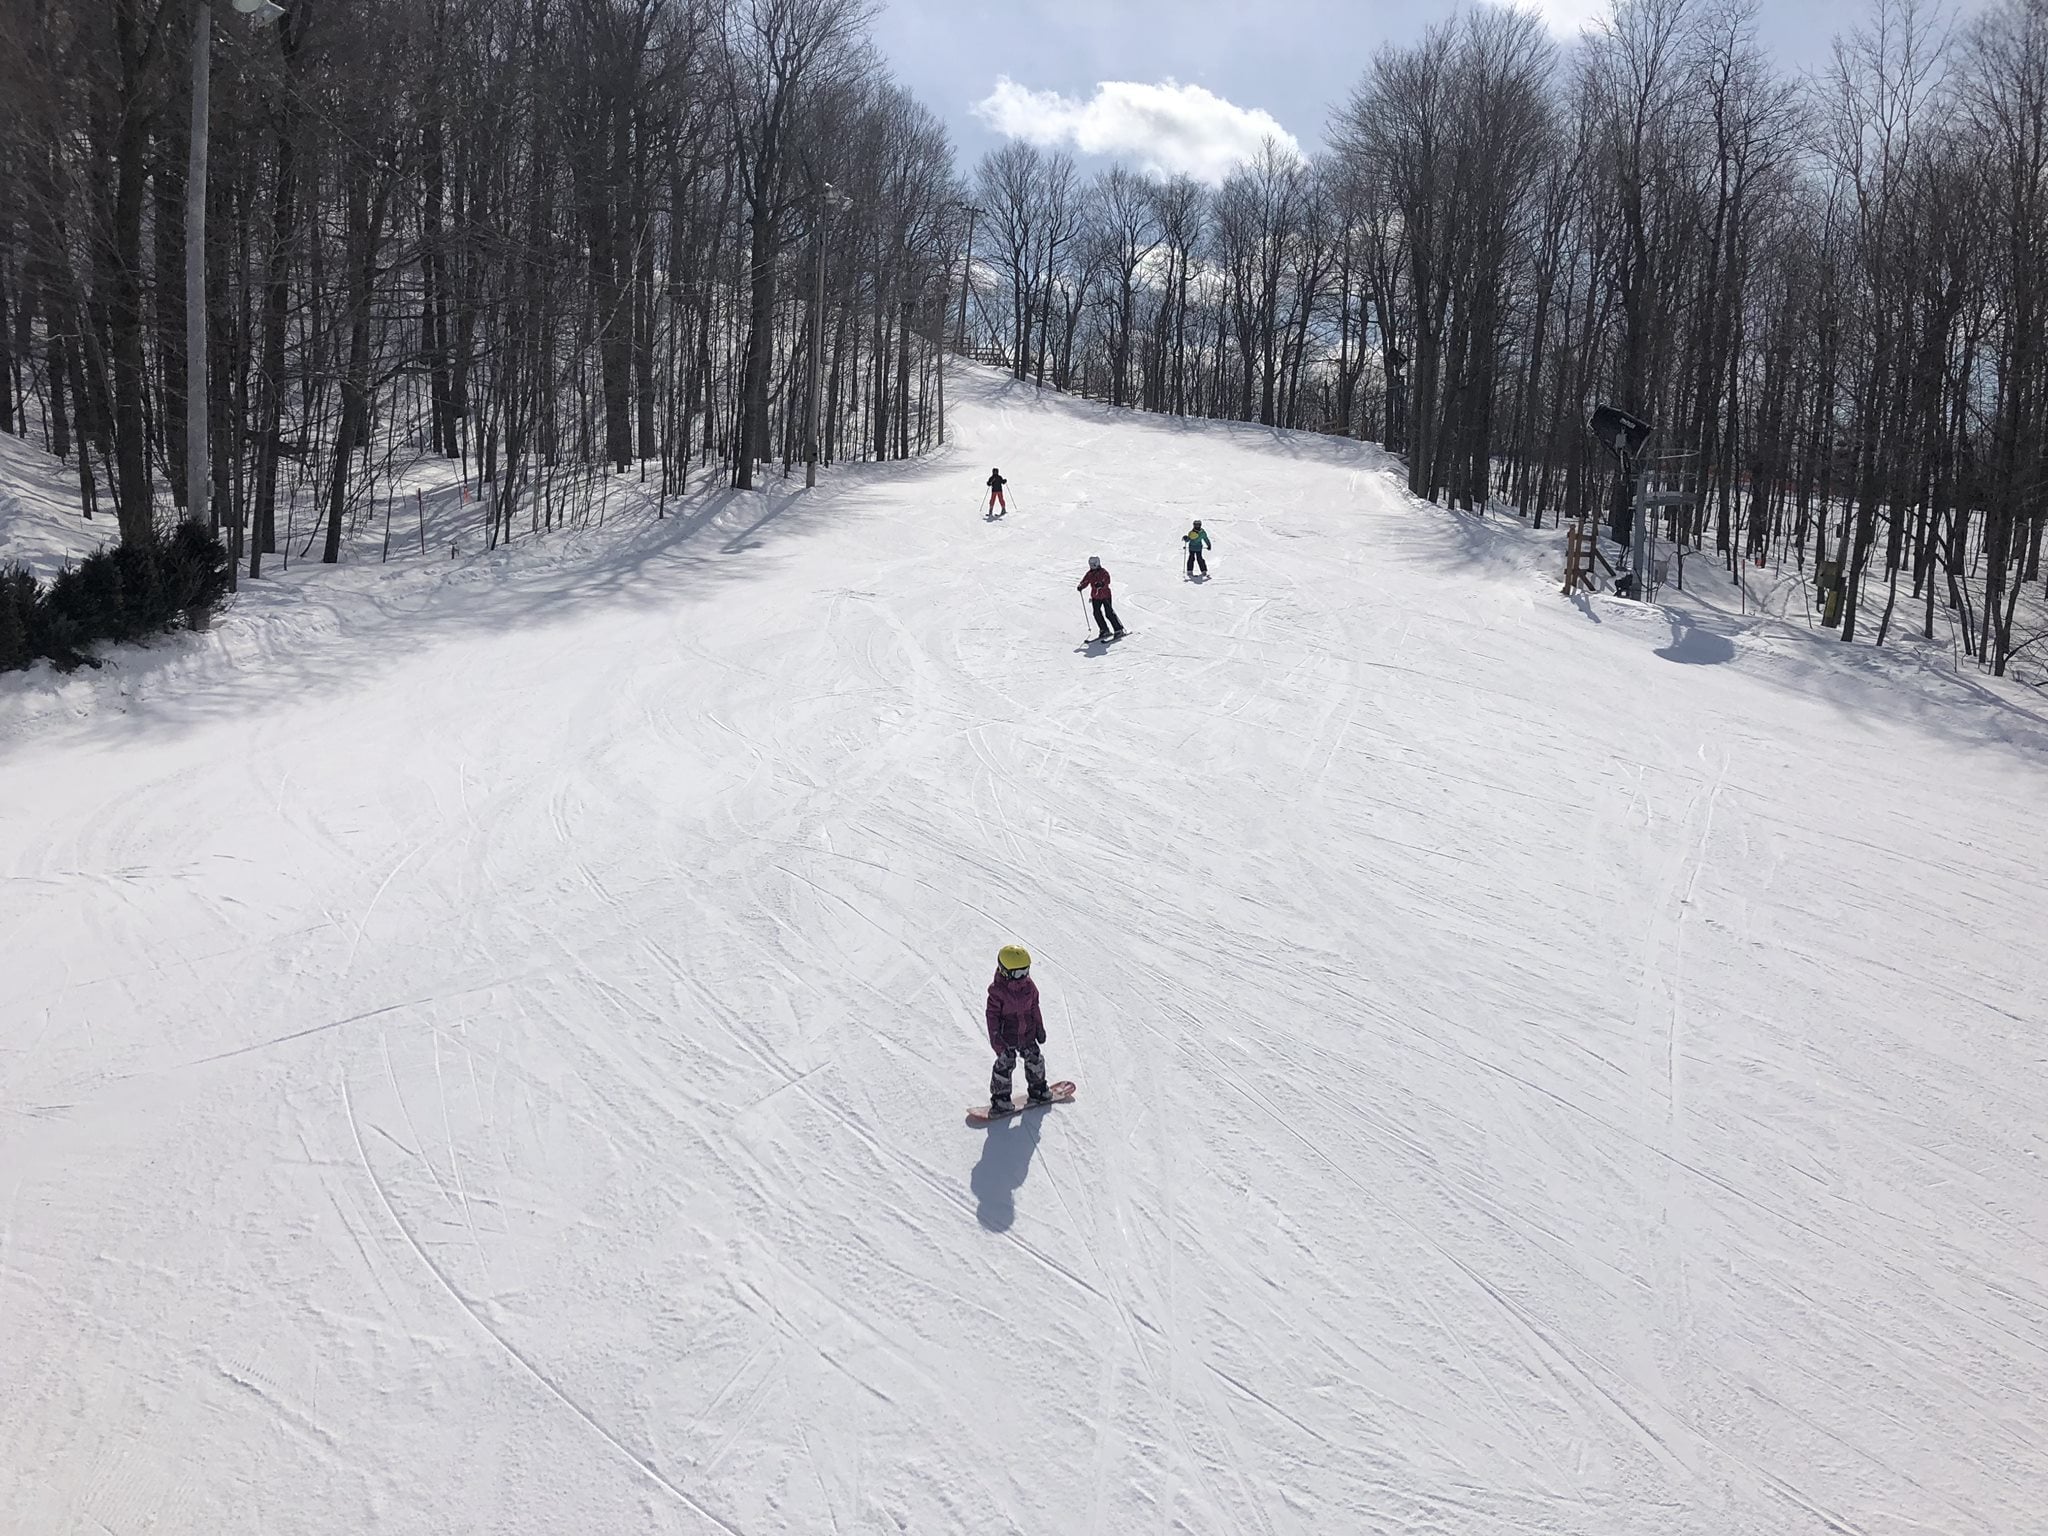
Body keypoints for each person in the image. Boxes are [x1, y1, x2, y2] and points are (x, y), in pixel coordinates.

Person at [986, 944, 1052, 1111]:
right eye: (1018, 973)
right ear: (1005, 971)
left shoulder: (1029, 987)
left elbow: (1034, 1007)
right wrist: (997, 1043)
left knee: (1035, 1059)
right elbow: (992, 1018)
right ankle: (1001, 1098)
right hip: (1006, 1037)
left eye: (1026, 971)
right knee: (1004, 1065)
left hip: (1027, 1034)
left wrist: (1039, 1028)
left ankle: (1038, 1088)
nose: (1023, 976)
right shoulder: (997, 992)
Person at [1077, 556, 1125, 640]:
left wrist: (1101, 584)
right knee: (1096, 613)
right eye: (1091, 564)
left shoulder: (1103, 572)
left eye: (1093, 564)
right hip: (1095, 596)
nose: (1092, 566)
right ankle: (1104, 630)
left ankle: (1118, 629)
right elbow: (1086, 581)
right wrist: (1081, 586)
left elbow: (1107, 580)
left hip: (1105, 595)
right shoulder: (1090, 573)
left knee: (1109, 613)